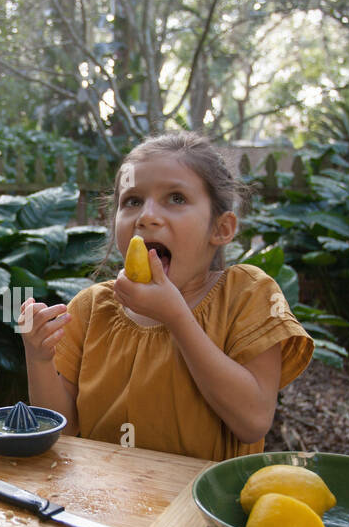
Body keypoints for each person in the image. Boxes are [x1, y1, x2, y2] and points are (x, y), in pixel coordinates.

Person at [19, 133, 313, 461]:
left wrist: (176, 318)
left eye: (175, 198)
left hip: (200, 505)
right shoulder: (91, 309)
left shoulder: (246, 295)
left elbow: (253, 421)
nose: (147, 216)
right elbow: (63, 428)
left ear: (221, 228)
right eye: (132, 201)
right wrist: (39, 359)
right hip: (106, 501)